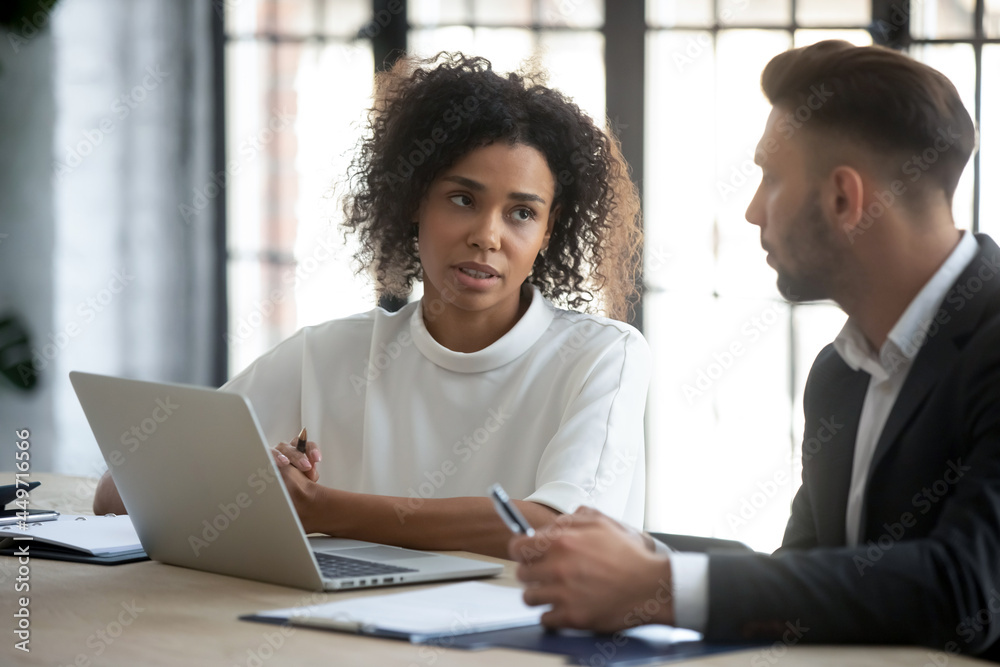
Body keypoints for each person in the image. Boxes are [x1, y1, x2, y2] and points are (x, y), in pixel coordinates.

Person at [511, 39, 1000, 659]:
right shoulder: (840, 374)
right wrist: (640, 555)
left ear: (844, 198)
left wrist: (663, 584)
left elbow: (969, 591)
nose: (749, 211)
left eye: (770, 177)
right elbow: (811, 576)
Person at [93, 52, 649, 559]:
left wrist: (318, 507)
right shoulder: (332, 352)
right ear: (413, 203)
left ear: (551, 230)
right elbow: (119, 493)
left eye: (521, 213)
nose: (487, 234)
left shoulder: (602, 356)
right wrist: (251, 476)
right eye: (462, 199)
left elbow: (553, 532)